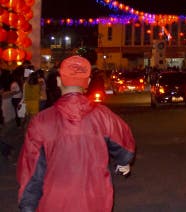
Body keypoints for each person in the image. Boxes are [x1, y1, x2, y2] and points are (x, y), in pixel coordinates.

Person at [17, 56, 136, 212]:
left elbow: (31, 171)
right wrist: (123, 161)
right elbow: (125, 146)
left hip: (55, 202)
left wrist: (27, 206)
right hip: (96, 201)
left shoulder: (40, 122)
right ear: (87, 83)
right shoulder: (104, 116)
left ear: (59, 81)